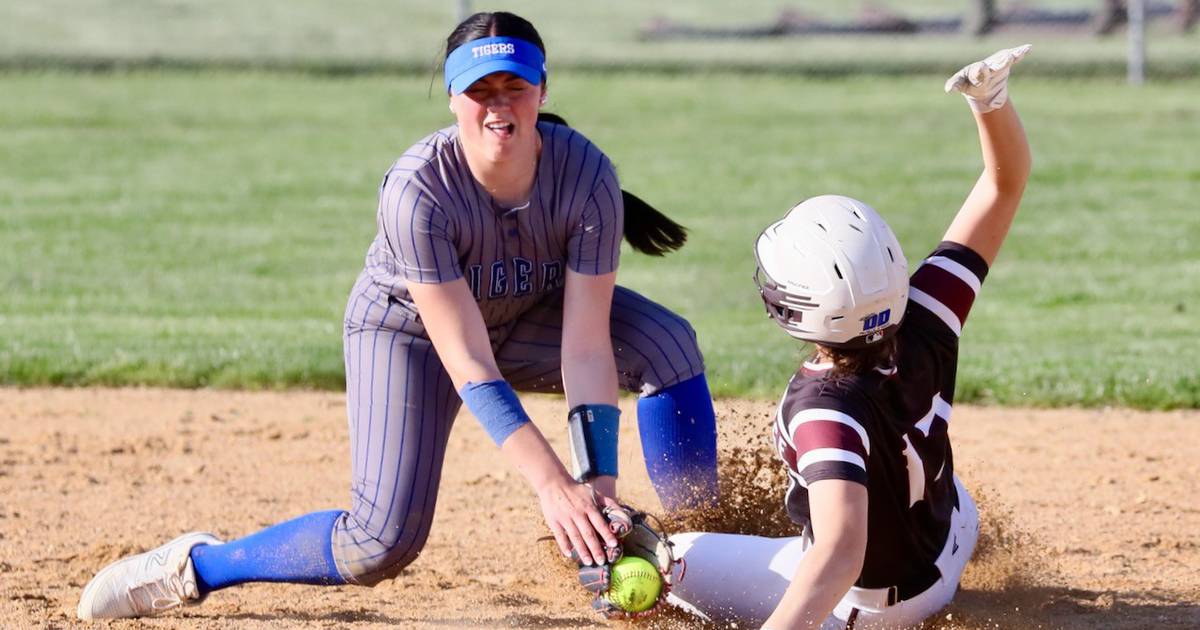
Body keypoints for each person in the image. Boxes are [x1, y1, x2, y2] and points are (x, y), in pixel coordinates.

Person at [76, 11, 720, 620]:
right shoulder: (419, 188)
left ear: (543, 90)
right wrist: (554, 486)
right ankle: (196, 565)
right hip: (407, 335)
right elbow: (467, 359)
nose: (498, 105)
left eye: (515, 87)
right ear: (452, 98)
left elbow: (584, 347)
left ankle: (706, 551)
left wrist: (598, 498)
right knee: (379, 543)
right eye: (480, 90)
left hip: (528, 317)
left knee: (665, 345)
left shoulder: (587, 175)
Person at [665, 45, 1033, 629]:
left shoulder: (821, 406)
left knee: (671, 561)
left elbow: (840, 553)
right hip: (952, 536)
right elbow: (1003, 183)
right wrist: (990, 101)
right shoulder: (928, 312)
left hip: (877, 609)